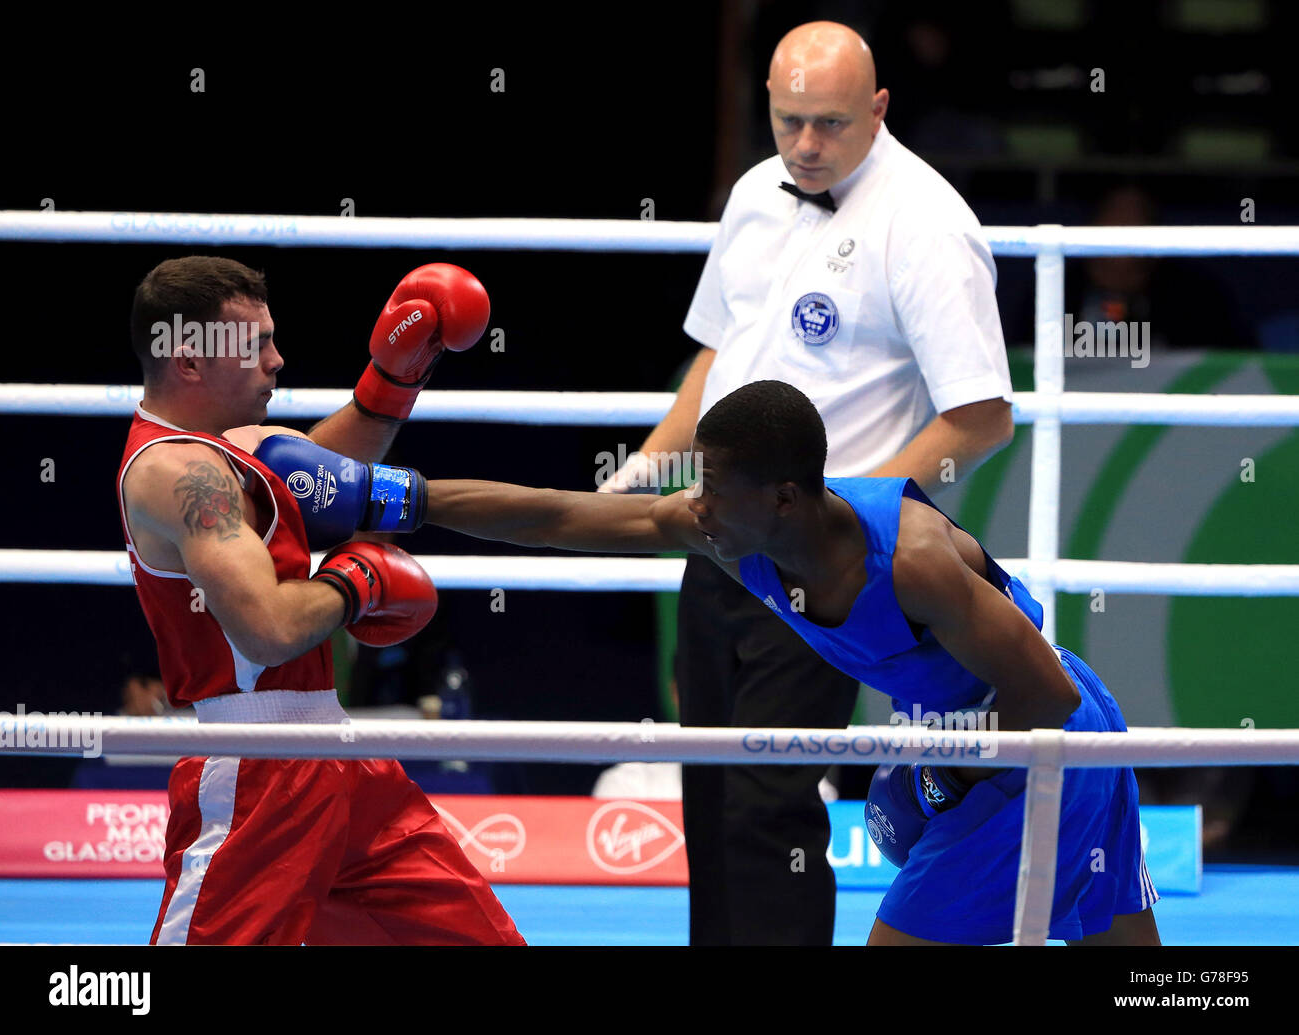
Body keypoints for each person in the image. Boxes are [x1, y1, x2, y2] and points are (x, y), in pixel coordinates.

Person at [405, 378, 1160, 945]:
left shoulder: (912, 560)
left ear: (785, 498)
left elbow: (1049, 693)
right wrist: (408, 499)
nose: (695, 506)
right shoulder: (736, 538)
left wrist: (947, 772)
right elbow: (560, 513)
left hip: (1033, 738)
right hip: (990, 737)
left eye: (714, 491)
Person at [598, 21, 1014, 944]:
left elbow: (982, 417)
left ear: (879, 108)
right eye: (789, 122)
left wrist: (851, 524)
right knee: (708, 784)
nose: (807, 146)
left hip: (820, 563)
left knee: (768, 800)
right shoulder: (756, 192)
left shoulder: (927, 223)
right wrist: (637, 476)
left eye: (830, 124)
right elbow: (719, 357)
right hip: (718, 538)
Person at [116, 255, 524, 945]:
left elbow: (328, 477)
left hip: (338, 754)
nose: (278, 360)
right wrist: (355, 582)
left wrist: (395, 375)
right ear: (189, 361)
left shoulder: (230, 448)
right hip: (257, 768)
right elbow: (269, 629)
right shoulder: (176, 470)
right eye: (255, 345)